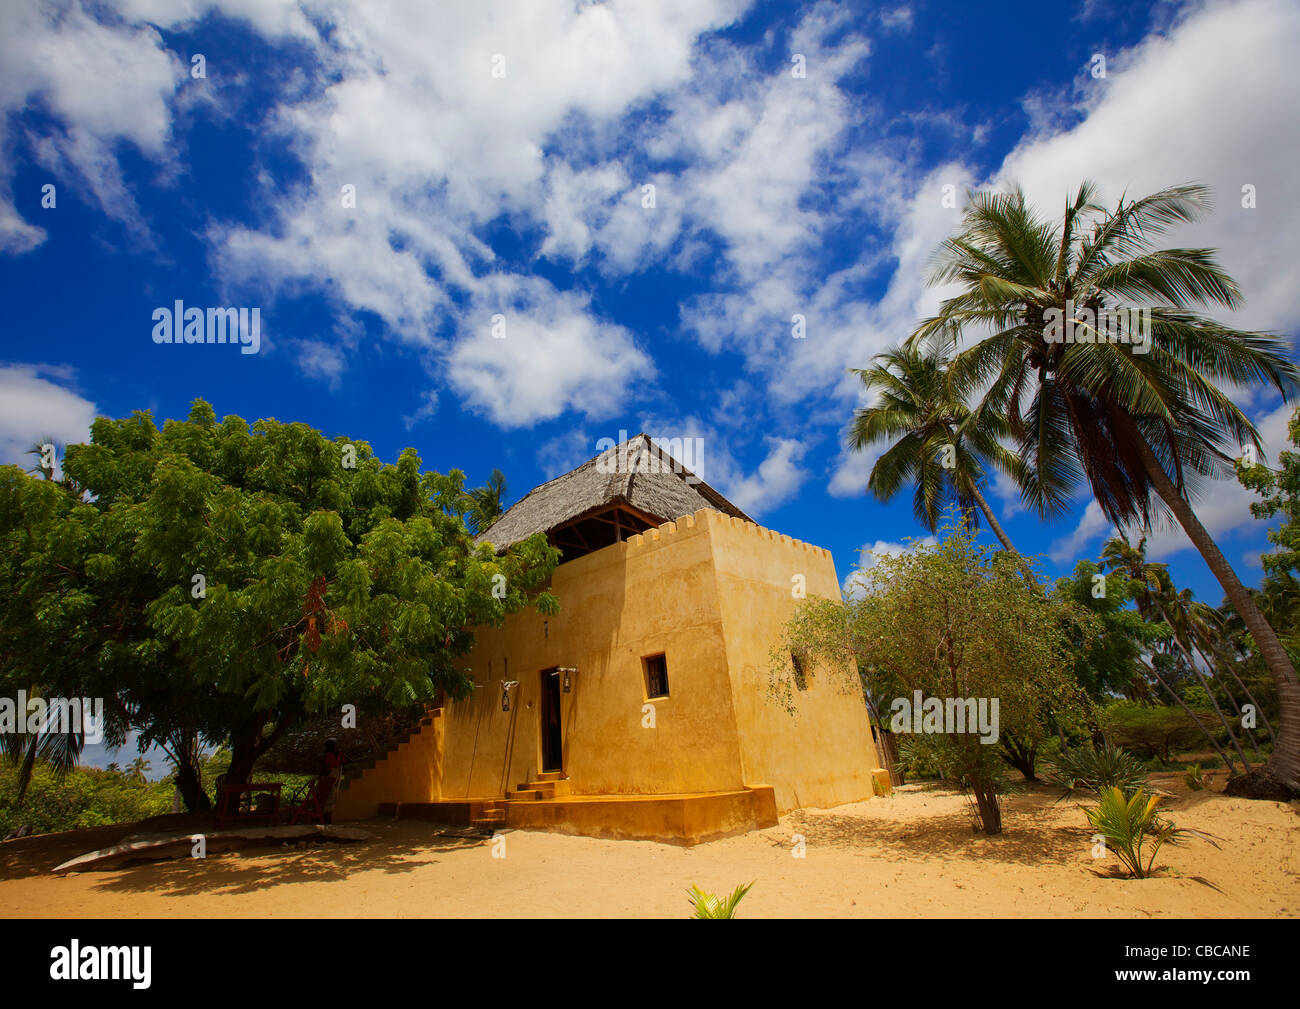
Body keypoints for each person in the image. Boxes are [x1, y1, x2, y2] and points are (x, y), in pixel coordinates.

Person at [320, 738, 344, 824]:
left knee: (329, 797)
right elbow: (336, 765)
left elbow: (329, 767)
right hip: (332, 778)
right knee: (331, 798)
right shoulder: (332, 755)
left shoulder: (329, 755)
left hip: (330, 778)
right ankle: (327, 817)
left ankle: (326, 816)